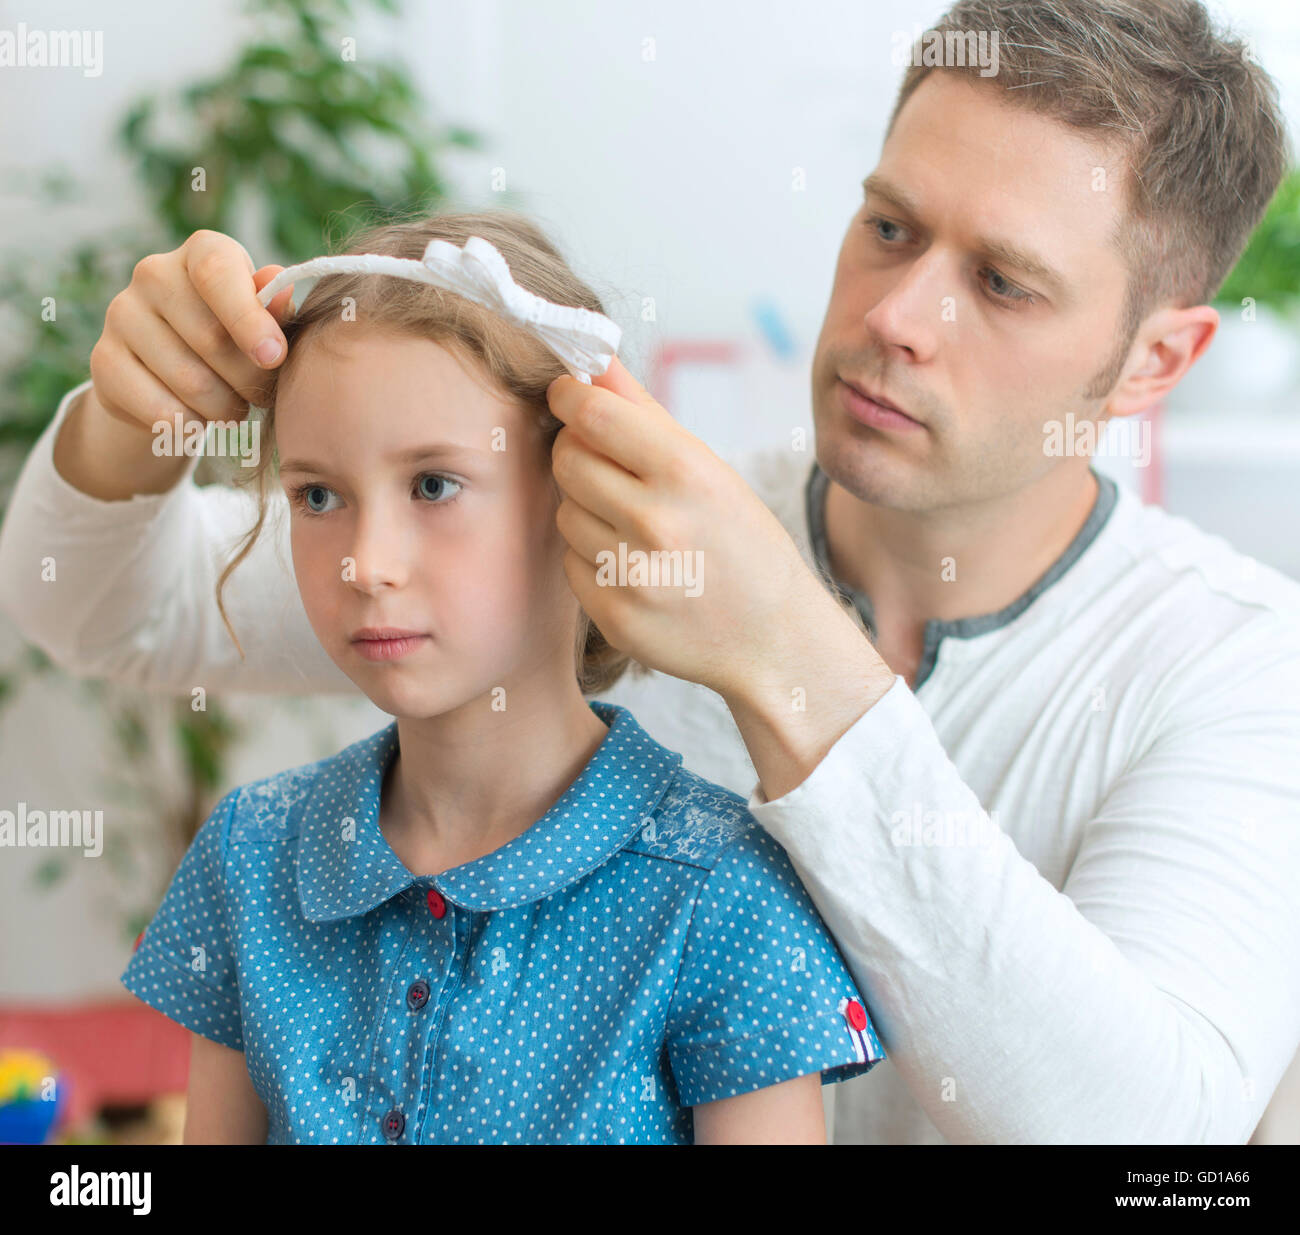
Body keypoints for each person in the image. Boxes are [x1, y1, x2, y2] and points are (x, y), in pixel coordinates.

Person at [2, 0, 1297, 1144]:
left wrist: (784, 647)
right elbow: (112, 610)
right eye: (889, 225)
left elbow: (1145, 1135)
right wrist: (136, 414)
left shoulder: (1240, 669)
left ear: (1154, 361)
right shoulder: (595, 526)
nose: (897, 315)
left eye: (1003, 283)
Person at [103, 211, 887, 1143]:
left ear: (583, 488)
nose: (366, 563)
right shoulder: (251, 856)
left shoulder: (723, 897)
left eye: (433, 484)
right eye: (318, 494)